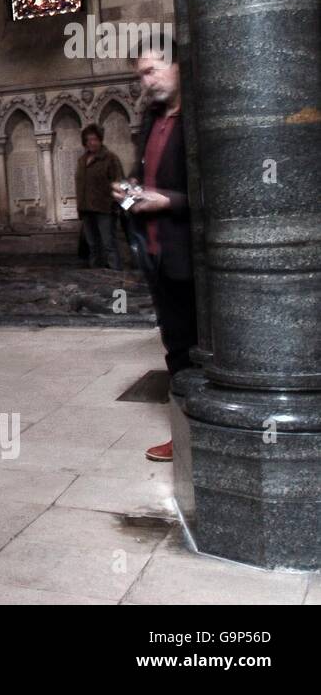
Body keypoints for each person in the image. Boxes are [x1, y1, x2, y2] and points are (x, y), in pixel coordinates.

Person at [113, 50, 197, 463]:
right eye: (141, 75)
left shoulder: (196, 119)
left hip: (191, 255)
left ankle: (205, 437)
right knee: (175, 348)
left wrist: (167, 201)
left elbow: (221, 185)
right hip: (156, 254)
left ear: (178, 66)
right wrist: (128, 196)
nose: (145, 81)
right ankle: (183, 438)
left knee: (199, 349)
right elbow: (144, 180)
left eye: (151, 70)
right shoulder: (151, 120)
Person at [75, 123, 124, 270]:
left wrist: (118, 205)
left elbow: (119, 182)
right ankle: (96, 276)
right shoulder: (82, 160)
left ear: (100, 140)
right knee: (93, 245)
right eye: (88, 140)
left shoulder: (110, 158)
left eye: (95, 139)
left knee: (109, 244)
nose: (92, 142)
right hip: (86, 209)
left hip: (105, 209)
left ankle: (116, 275)